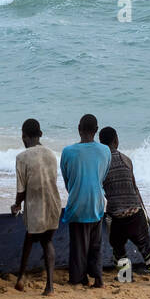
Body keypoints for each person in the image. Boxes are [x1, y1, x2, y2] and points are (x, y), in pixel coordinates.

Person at [100, 127, 150, 282]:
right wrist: (144, 212)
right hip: (135, 211)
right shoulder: (126, 159)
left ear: (101, 143)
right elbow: (135, 188)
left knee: (118, 248)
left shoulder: (101, 162)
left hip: (115, 214)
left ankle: (125, 277)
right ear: (116, 140)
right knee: (146, 247)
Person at [59, 114, 111, 288]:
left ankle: (79, 278)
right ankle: (98, 279)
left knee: (78, 246)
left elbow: (67, 181)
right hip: (97, 202)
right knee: (96, 244)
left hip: (77, 203)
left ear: (78, 128)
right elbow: (102, 176)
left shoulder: (68, 152)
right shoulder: (105, 151)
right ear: (96, 130)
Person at [12, 118, 62, 294]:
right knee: (46, 240)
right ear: (40, 134)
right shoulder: (51, 154)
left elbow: (21, 189)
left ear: (23, 136)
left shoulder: (22, 158)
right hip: (54, 204)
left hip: (36, 206)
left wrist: (17, 205)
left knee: (33, 238)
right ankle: (49, 286)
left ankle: (21, 276)